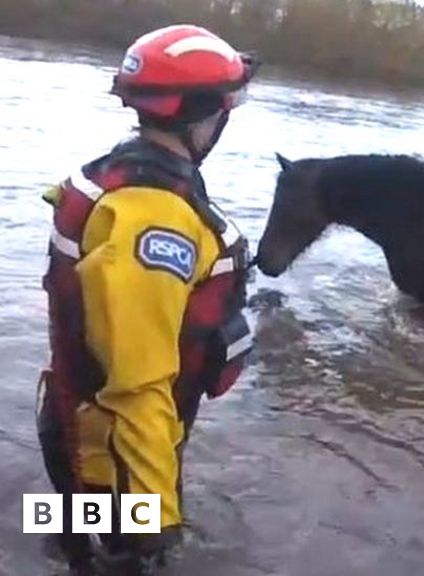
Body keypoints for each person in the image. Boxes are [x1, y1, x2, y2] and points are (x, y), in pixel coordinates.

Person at [36, 24, 259, 575]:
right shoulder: (153, 217)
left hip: (85, 432)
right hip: (111, 455)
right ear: (206, 115)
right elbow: (137, 385)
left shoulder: (120, 180)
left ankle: (58, 544)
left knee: (67, 545)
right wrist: (156, 520)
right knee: (119, 559)